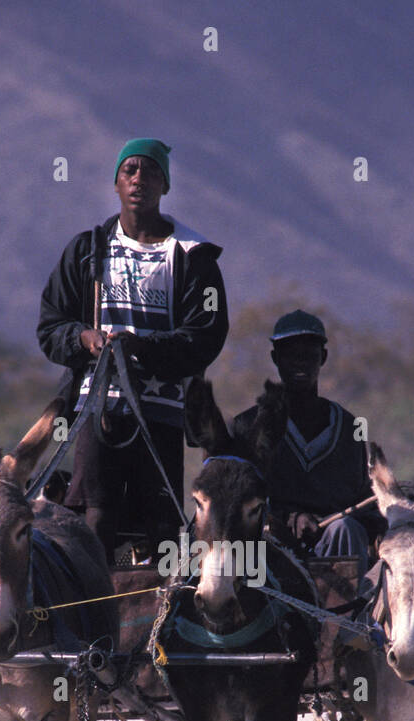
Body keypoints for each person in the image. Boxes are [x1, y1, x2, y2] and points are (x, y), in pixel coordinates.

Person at [37, 137, 228, 559]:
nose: (140, 179)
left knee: (160, 524)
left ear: (166, 185)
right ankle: (94, 616)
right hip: (96, 409)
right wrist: (85, 338)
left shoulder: (192, 257)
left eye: (151, 171)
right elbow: (50, 326)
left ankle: (160, 619)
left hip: (160, 411)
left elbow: (206, 335)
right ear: (117, 182)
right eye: (130, 170)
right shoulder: (88, 251)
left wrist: (142, 348)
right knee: (96, 516)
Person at [232, 310, 386, 579]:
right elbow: (234, 505)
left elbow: (364, 503)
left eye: (309, 355)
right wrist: (290, 518)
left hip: (334, 550)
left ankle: (341, 619)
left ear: (323, 358)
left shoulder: (351, 429)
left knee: (346, 529)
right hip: (269, 553)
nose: (300, 364)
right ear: (275, 359)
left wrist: (386, 515)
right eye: (291, 355)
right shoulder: (246, 426)